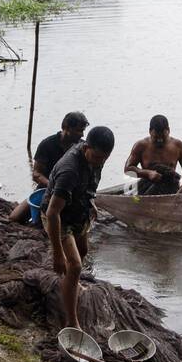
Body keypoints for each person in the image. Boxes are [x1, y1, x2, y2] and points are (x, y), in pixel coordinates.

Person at [44, 125, 115, 329]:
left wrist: (90, 202)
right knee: (74, 265)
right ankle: (71, 320)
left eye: (104, 158)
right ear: (86, 147)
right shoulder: (70, 170)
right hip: (58, 216)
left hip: (79, 207)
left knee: (83, 251)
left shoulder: (97, 157)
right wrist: (58, 253)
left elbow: (90, 183)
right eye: (97, 157)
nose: (100, 162)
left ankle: (71, 282)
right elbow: (52, 213)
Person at [9, 111, 89, 224]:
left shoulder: (82, 148)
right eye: (78, 130)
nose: (82, 135)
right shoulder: (47, 144)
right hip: (46, 189)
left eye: (83, 130)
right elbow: (36, 174)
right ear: (65, 128)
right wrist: (53, 186)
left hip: (71, 192)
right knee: (15, 218)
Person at [124, 115, 182, 196]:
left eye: (163, 137)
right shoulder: (140, 146)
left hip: (171, 187)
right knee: (133, 198)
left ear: (168, 130)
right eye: (156, 137)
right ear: (150, 131)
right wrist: (147, 173)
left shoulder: (178, 145)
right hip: (147, 187)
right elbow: (128, 169)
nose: (160, 140)